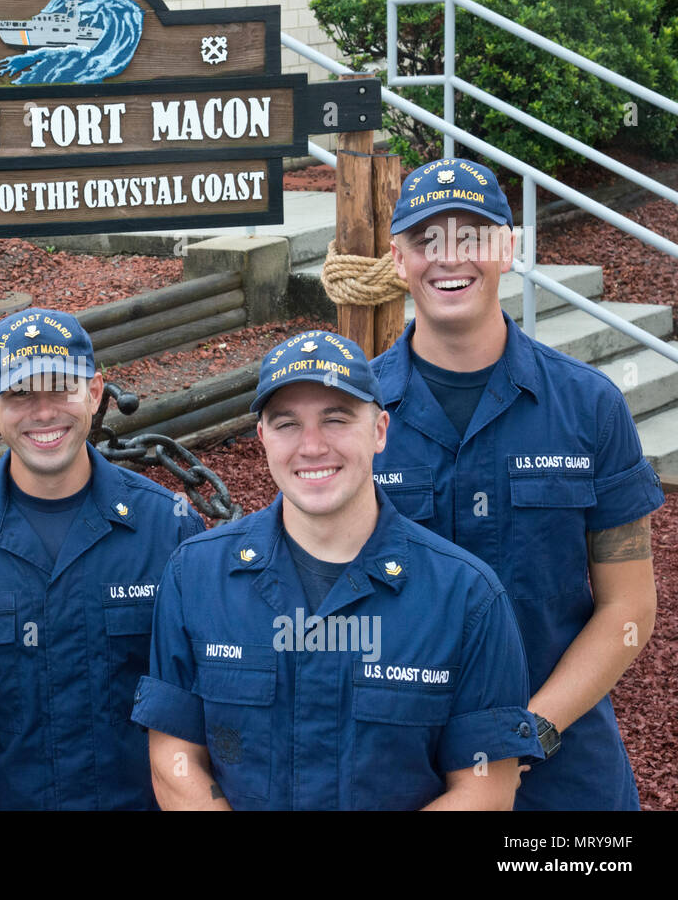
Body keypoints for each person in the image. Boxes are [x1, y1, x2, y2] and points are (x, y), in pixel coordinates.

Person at [133, 330, 544, 810]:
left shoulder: (467, 597)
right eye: (287, 424)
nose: (311, 447)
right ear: (262, 438)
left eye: (336, 419)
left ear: (380, 431)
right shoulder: (195, 577)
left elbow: (486, 787)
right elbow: (174, 755)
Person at [371, 156, 664, 810]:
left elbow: (629, 605)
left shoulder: (588, 408)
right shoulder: (352, 417)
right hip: (404, 768)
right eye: (427, 239)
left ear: (509, 247)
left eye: (472, 236)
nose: (450, 258)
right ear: (397, 258)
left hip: (563, 770)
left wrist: (528, 731)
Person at [0, 308, 207, 809]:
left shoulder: (168, 528)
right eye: (20, 394)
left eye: (61, 388)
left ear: (95, 393)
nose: (44, 413)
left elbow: (202, 705)